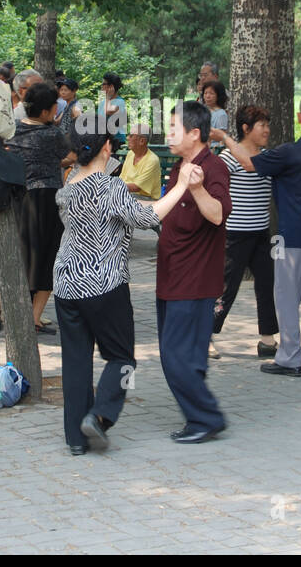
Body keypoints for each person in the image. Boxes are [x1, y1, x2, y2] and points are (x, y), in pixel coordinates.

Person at [55, 131, 199, 455]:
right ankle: (101, 415)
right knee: (122, 359)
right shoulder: (111, 186)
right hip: (105, 285)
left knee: (76, 362)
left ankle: (75, 441)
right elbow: (147, 218)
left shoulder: (66, 188)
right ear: (107, 148)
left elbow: (125, 211)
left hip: (67, 284)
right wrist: (180, 186)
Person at [214, 93, 301, 377]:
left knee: (286, 296)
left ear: (299, 118)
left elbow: (249, 165)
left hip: (293, 238)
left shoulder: (289, 152)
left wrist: (223, 137)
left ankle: (290, 358)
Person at [156, 102, 231, 442]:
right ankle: (199, 417)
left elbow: (217, 215)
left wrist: (197, 188)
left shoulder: (212, 169)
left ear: (194, 133)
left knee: (175, 355)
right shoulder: (178, 168)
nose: (168, 135)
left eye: (173, 129)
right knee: (190, 355)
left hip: (194, 279)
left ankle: (206, 418)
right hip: (170, 275)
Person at [3, 82, 74, 333]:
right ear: (46, 111)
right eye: (55, 105)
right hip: (46, 199)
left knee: (23, 253)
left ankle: (9, 310)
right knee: (48, 257)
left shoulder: (15, 130)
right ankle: (33, 316)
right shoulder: (52, 134)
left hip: (20, 197)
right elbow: (71, 156)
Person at [212, 105, 278, 358]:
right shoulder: (227, 159)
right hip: (234, 234)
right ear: (246, 128)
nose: (267, 130)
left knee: (266, 285)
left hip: (261, 232)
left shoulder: (267, 156)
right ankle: (206, 335)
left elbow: (252, 165)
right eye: (262, 126)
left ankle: (267, 339)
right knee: (226, 287)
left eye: (268, 125)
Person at [120, 122, 161, 201]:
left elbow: (136, 187)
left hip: (146, 200)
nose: (127, 138)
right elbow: (122, 178)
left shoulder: (152, 160)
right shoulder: (130, 154)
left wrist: (114, 186)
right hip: (128, 195)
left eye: (131, 136)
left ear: (142, 141)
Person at [97, 72, 127, 143]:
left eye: (104, 84)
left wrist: (108, 96)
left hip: (116, 140)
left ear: (111, 86)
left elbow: (108, 111)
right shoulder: (102, 102)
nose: (101, 86)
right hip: (104, 139)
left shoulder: (120, 102)